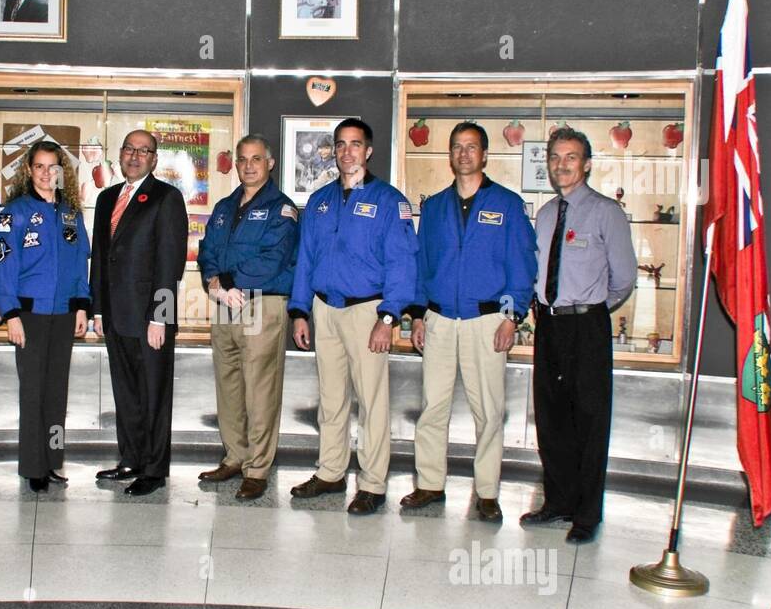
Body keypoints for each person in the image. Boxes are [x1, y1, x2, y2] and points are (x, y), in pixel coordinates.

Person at [404, 122, 537, 521]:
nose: (464, 154)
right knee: (433, 407)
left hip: (487, 320)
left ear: (484, 155)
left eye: (472, 147)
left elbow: (521, 264)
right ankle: (429, 484)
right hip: (440, 319)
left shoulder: (508, 205)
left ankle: (487, 492)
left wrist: (512, 316)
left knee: (489, 411)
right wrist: (418, 315)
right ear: (449, 156)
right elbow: (421, 264)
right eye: (457, 148)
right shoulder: (435, 207)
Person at [288, 118, 417, 515]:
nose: (347, 152)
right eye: (340, 145)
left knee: (372, 400)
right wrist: (299, 310)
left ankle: (373, 483)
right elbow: (305, 260)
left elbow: (403, 264)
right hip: (325, 309)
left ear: (369, 150)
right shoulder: (320, 201)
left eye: (355, 144)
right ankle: (330, 472)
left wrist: (389, 317)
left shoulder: (389, 201)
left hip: (368, 313)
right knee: (331, 398)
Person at [520, 128, 637, 544]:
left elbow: (623, 279)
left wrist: (587, 308)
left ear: (586, 164)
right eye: (554, 157)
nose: (561, 165)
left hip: (587, 326)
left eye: (570, 157)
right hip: (549, 324)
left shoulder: (607, 212)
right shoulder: (547, 213)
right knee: (552, 418)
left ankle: (587, 514)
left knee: (589, 419)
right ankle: (558, 502)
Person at [197, 135, 299, 500]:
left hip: (259, 303)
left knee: (260, 388)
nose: (249, 165)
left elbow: (273, 258)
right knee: (229, 384)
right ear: (236, 163)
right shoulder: (225, 206)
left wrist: (228, 280)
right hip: (225, 302)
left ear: (270, 163)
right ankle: (235, 456)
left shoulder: (281, 208)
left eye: (257, 158)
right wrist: (213, 280)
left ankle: (257, 468)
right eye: (243, 159)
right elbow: (206, 249)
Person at [89, 130, 189, 497]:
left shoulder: (166, 198)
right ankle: (130, 457)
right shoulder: (106, 199)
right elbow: (100, 258)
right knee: (126, 392)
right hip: (115, 316)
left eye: (143, 151)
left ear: (154, 159)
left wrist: (160, 316)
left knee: (154, 394)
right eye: (129, 149)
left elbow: (170, 262)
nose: (135, 156)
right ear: (120, 155)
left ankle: (154, 468)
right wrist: (97, 308)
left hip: (151, 319)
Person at [0, 141, 90, 492]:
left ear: (63, 171)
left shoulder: (71, 214)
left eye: (54, 167)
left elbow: (80, 264)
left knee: (56, 394)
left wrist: (82, 305)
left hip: (64, 315)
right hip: (29, 316)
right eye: (40, 167)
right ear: (28, 171)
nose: (47, 174)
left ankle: (53, 460)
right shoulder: (13, 212)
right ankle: (33, 466)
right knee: (32, 393)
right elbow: (2, 266)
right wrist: (10, 313)